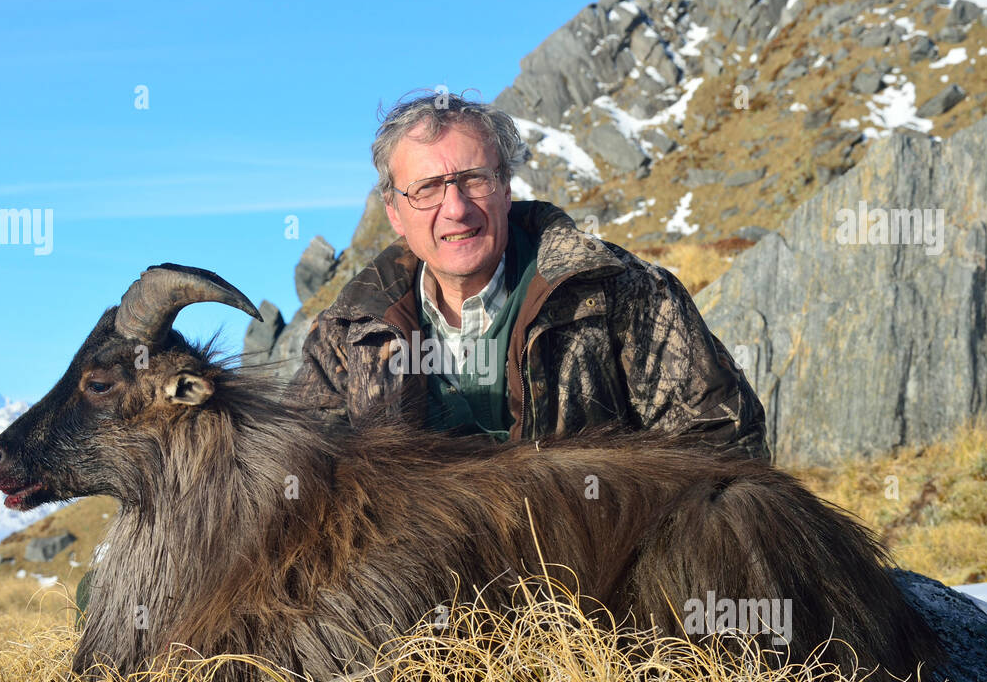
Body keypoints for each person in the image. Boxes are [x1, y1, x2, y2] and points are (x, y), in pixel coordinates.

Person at [288, 91, 769, 461]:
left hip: (596, 585)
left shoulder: (623, 292)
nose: (455, 209)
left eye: (474, 178)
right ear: (394, 211)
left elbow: (725, 447)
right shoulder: (345, 339)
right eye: (428, 189)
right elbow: (301, 482)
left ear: (506, 187)